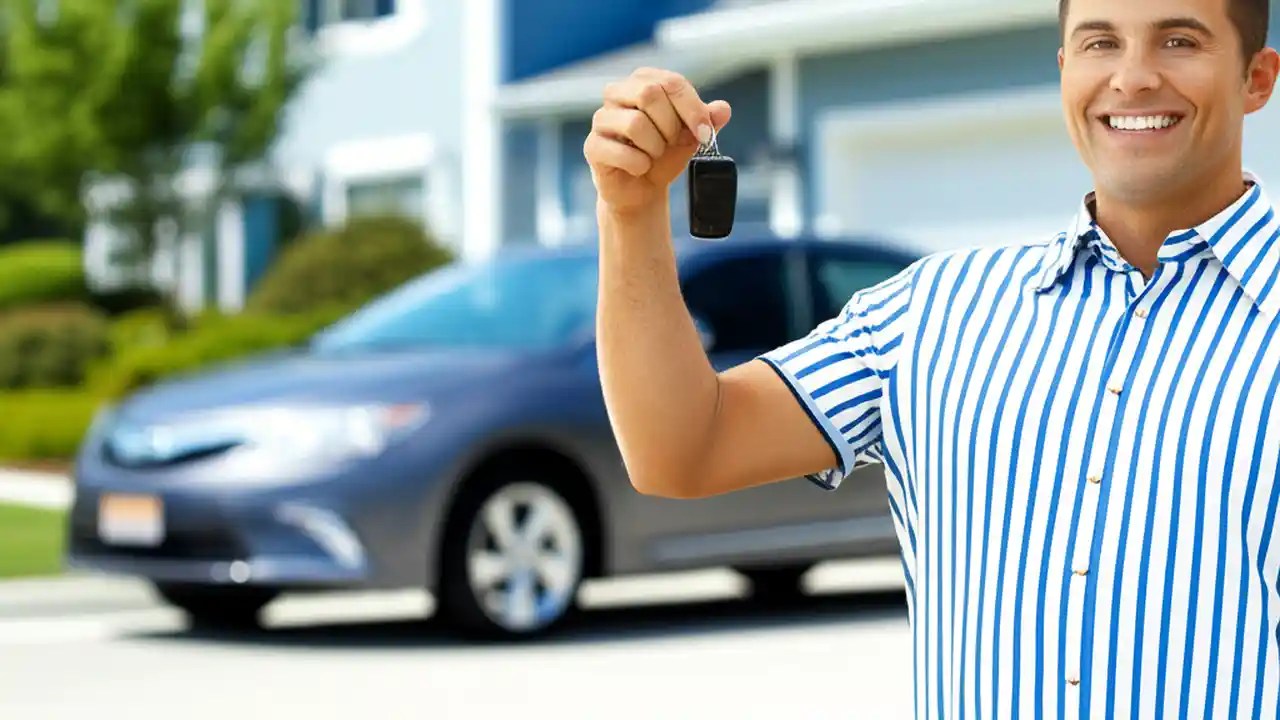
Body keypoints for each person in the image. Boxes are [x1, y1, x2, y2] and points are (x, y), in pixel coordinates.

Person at [585, 0, 1280, 716]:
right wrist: (630, 214)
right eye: (1100, 42)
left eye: (1178, 40)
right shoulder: (930, 313)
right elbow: (682, 448)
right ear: (1065, 71)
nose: (1133, 78)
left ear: (1257, 78)